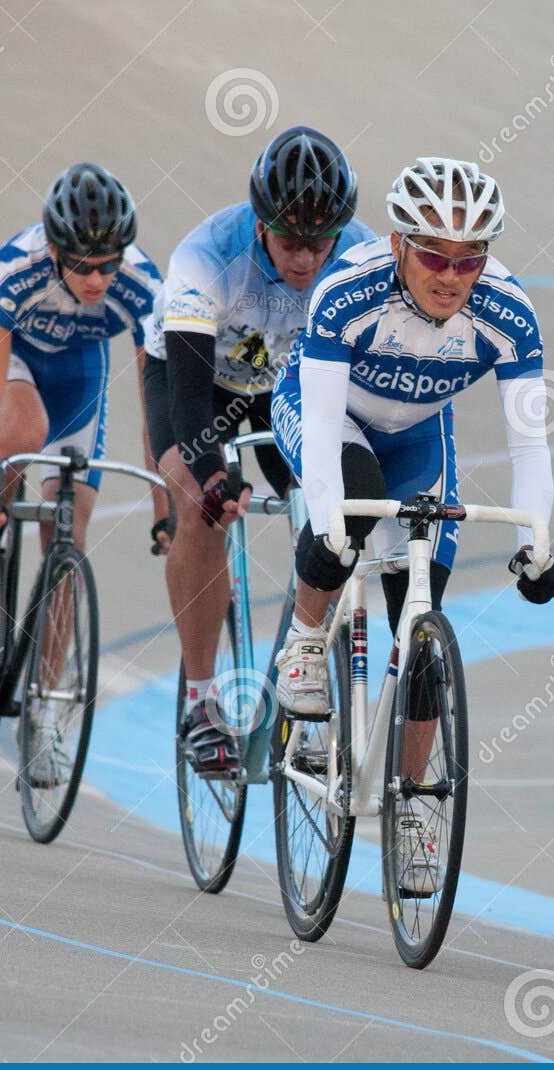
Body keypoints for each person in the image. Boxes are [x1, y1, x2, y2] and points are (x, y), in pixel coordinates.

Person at [268, 156, 554, 893]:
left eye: (471, 258)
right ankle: (307, 639)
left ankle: (414, 805)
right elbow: (329, 447)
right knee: (351, 502)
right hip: (328, 417)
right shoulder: (346, 293)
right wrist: (336, 527)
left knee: (422, 620)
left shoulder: (508, 312)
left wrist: (537, 544)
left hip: (419, 443)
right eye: (434, 254)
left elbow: (531, 445)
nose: (452, 274)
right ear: (399, 243)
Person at [141, 125, 375, 774]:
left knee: (333, 508)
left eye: (319, 243)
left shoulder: (360, 255)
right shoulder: (207, 255)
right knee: (199, 505)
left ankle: (302, 664)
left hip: (285, 388)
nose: (305, 260)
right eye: (291, 241)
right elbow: (188, 400)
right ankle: (200, 700)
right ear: (260, 222)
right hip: (199, 385)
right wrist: (214, 475)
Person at [0, 161, 160, 786]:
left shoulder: (142, 284)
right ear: (55, 251)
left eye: (108, 264)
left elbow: (156, 398)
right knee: (23, 430)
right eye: (84, 266)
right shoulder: (13, 271)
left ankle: (43, 710)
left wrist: (163, 503)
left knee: (71, 534)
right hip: (15, 370)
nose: (98, 278)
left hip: (81, 379)